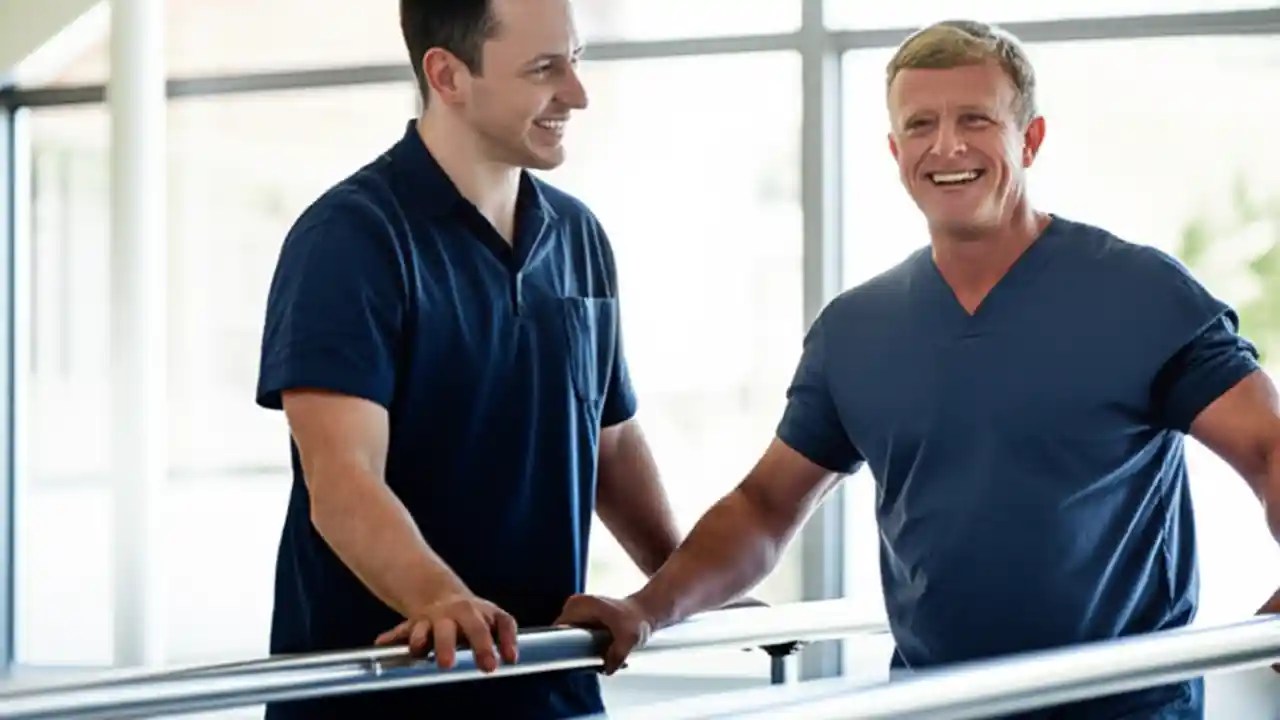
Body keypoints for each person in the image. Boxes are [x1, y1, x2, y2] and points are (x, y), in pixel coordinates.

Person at [555, 19, 1280, 719]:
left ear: (1029, 138)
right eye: (921, 125)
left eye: (976, 120)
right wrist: (645, 610)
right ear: (895, 148)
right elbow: (763, 508)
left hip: (1126, 707)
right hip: (935, 706)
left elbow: (1267, 447)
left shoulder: (1141, 294)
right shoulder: (856, 330)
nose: (947, 146)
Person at [253, 0, 684, 717]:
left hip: (550, 690)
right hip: (388, 697)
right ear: (447, 75)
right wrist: (441, 598)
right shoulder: (350, 240)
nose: (576, 93)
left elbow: (610, 442)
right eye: (545, 69)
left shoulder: (580, 238)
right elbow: (343, 479)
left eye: (574, 60)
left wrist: (685, 586)